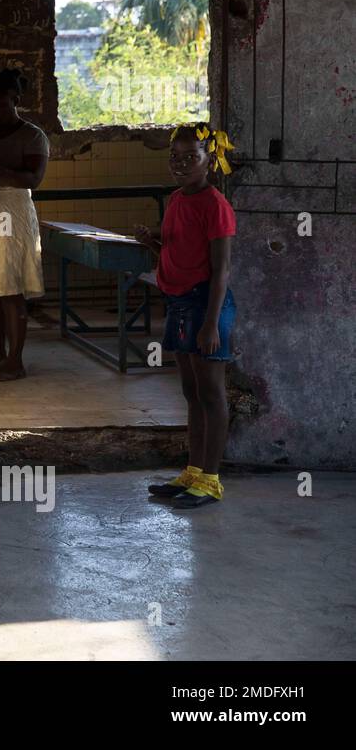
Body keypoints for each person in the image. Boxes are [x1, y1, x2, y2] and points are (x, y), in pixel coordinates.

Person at [136, 124, 237, 509]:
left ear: (209, 161)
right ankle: (193, 472)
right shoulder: (178, 198)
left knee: (211, 393)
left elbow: (221, 270)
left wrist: (211, 323)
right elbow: (178, 247)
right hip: (179, 304)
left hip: (205, 305)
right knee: (191, 393)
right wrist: (153, 241)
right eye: (173, 157)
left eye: (189, 158)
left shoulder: (216, 206)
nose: (179, 164)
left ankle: (210, 480)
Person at [0, 68, 49, 381]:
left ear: (16, 100)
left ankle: (15, 360)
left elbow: (34, 179)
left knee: (11, 288)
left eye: (1, 105)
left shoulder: (32, 135)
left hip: (13, 215)